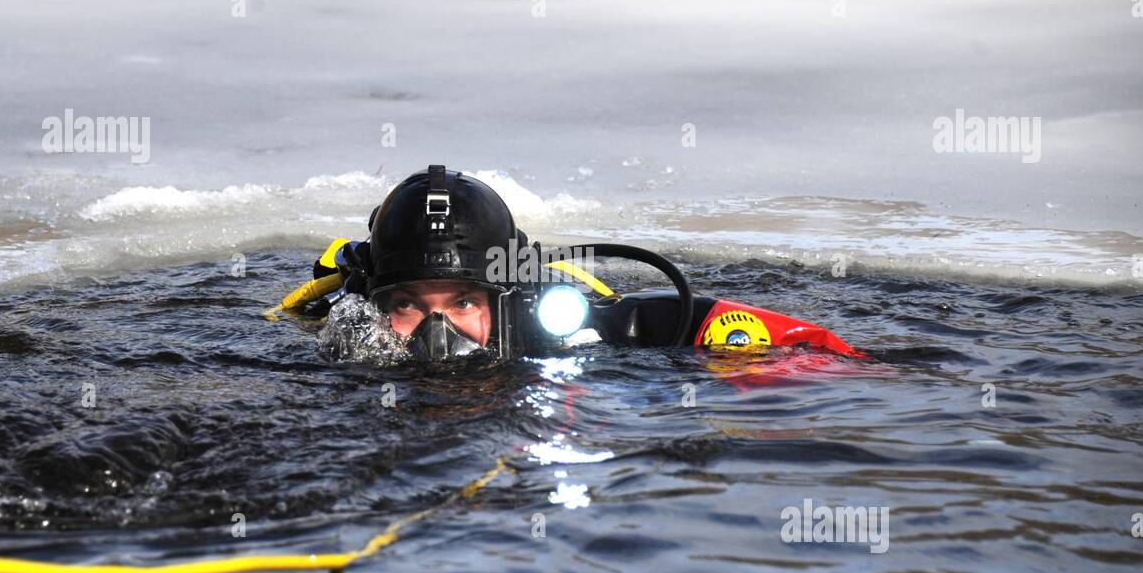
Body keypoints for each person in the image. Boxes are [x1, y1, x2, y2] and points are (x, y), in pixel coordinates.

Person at [280, 165, 861, 362]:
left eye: (463, 302)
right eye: (408, 304)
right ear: (375, 305)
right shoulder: (350, 344)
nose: (440, 332)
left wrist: (832, 360)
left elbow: (698, 319)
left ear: (505, 302)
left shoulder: (546, 330)